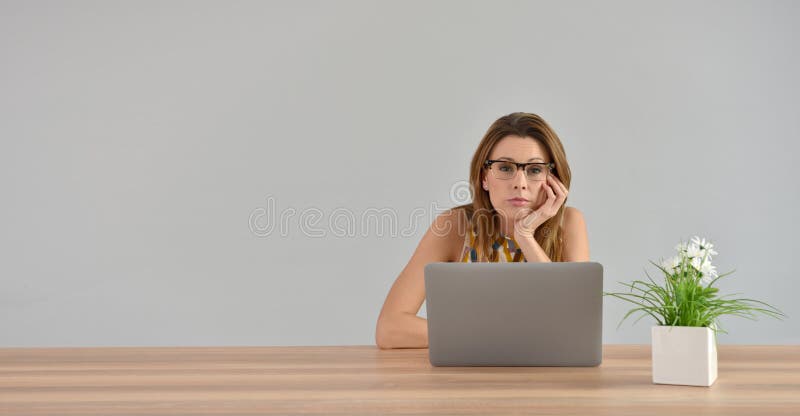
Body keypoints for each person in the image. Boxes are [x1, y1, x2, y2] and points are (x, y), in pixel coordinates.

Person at [375, 112, 590, 349]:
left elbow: (576, 328)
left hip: (545, 377)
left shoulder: (568, 223)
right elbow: (390, 328)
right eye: (506, 168)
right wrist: (495, 339)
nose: (520, 182)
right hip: (470, 377)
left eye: (535, 169)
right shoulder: (454, 226)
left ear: (553, 178)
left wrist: (525, 236)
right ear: (484, 177)